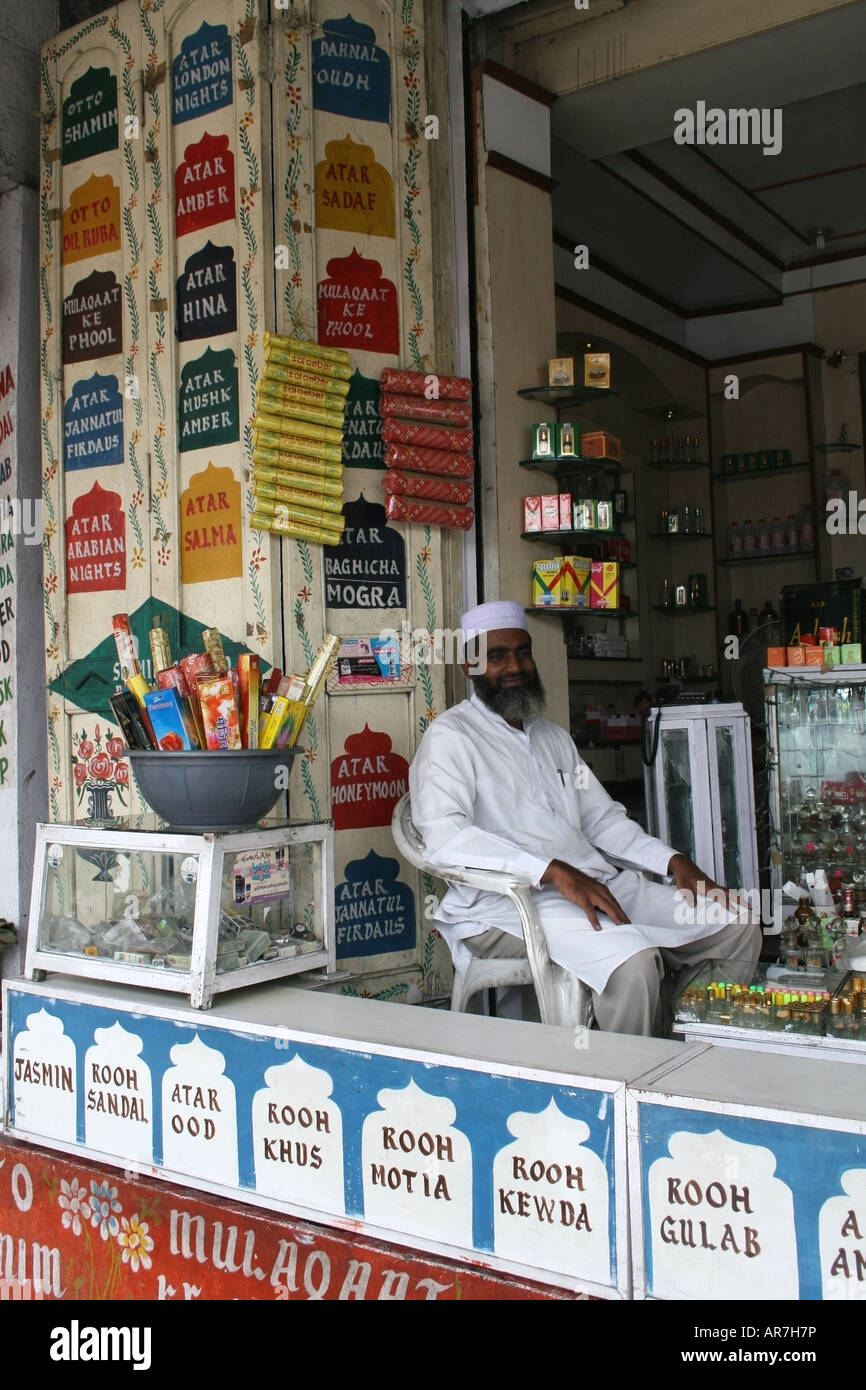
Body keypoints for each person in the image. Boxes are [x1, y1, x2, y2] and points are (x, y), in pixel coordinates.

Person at [408, 600, 761, 1037]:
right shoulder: (451, 737)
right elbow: (445, 838)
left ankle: (684, 1043)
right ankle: (629, 1074)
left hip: (595, 885)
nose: (514, 666)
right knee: (633, 965)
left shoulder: (552, 737)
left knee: (736, 924)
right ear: (469, 665)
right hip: (508, 905)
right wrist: (552, 871)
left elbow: (603, 821)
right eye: (497, 656)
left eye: (522, 653)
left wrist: (674, 862)